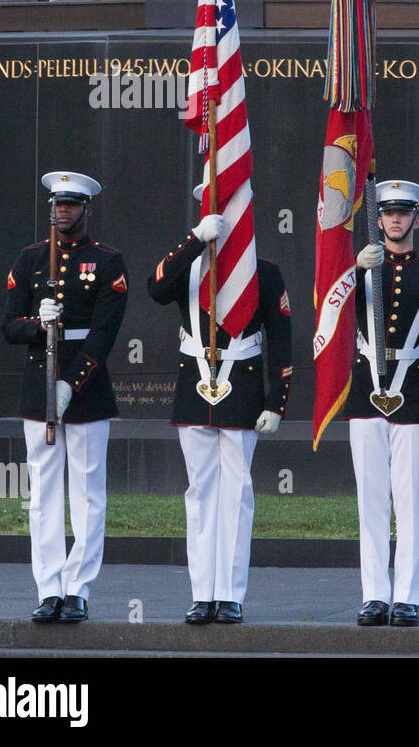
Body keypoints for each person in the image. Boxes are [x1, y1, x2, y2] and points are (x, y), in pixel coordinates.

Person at [147, 186, 292, 625]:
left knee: (237, 492)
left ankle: (229, 593)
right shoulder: (188, 267)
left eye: (228, 212)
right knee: (200, 493)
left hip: (242, 387)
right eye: (214, 212)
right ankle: (201, 593)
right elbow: (156, 288)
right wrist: (195, 238)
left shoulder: (262, 272)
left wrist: (277, 402)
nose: (223, 221)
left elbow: (282, 342)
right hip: (196, 385)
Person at [2, 171, 128, 623]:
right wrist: (39, 323)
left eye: (71, 205)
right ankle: (49, 588)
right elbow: (8, 326)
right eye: (57, 205)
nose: (62, 212)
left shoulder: (107, 261)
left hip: (87, 390)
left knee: (89, 492)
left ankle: (78, 588)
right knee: (43, 496)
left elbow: (104, 333)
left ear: (85, 210)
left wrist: (71, 384)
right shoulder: (30, 258)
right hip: (39, 388)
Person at [345, 180, 419, 627]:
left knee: (410, 502)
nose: (395, 220)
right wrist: (353, 270)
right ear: (377, 219)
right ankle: (375, 595)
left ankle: (408, 596)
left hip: (412, 393)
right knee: (370, 500)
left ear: (417, 219)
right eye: (388, 213)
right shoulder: (359, 272)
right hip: (364, 391)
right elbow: (330, 312)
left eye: (403, 212)